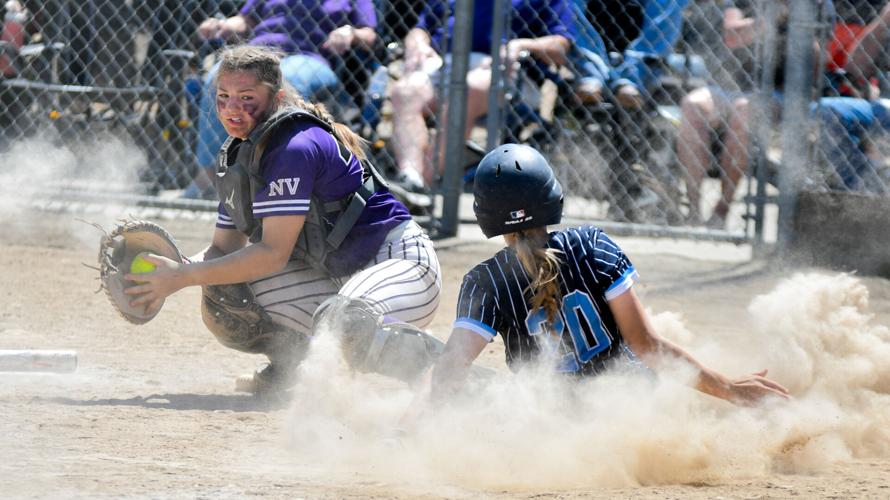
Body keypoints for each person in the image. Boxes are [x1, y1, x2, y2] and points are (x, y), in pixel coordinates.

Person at [125, 45, 443, 396]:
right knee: (225, 292)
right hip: (337, 276)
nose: (231, 108)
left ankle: (451, 374)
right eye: (223, 96)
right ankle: (293, 366)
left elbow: (272, 254)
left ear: (276, 97)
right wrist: (171, 270)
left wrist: (182, 277)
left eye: (246, 97)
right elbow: (222, 249)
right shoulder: (236, 154)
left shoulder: (293, 146)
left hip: (400, 265)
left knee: (343, 321)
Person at [401, 144, 788, 423]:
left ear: (485, 215)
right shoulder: (593, 245)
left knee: (486, 390)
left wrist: (412, 431)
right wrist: (730, 389)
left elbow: (451, 364)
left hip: (551, 422)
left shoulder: (484, 281)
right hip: (628, 409)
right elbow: (647, 345)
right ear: (551, 197)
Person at [185, 0, 381, 199]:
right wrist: (224, 24)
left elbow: (370, 34)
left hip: (307, 57)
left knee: (287, 80)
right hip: (259, 56)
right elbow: (246, 19)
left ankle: (277, 176)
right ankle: (210, 176)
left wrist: (350, 33)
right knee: (217, 78)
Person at [388, 0, 574, 192]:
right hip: (446, 62)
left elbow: (561, 46)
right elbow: (421, 28)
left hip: (508, 71)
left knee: (468, 89)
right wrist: (417, 42)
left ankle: (422, 184)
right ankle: (410, 176)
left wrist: (520, 45)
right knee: (405, 91)